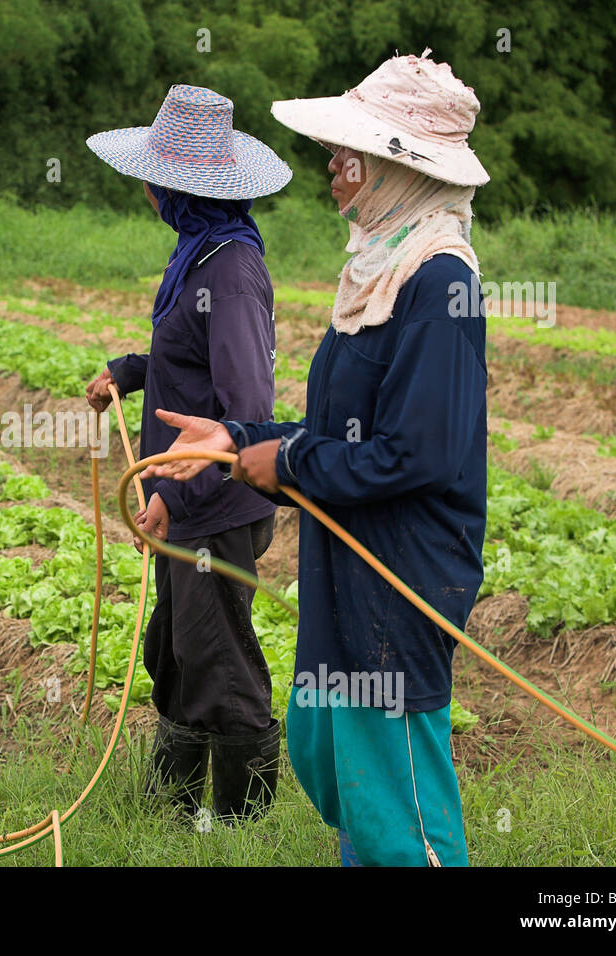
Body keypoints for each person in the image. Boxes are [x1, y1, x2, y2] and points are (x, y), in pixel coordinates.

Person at [144, 51, 491, 865]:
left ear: (398, 171)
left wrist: (287, 466)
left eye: (351, 158)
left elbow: (419, 455)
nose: (334, 172)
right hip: (348, 553)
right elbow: (349, 428)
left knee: (392, 788)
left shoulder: (441, 284)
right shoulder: (381, 269)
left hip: (401, 565)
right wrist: (239, 443)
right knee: (323, 747)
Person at [83, 84, 293, 820]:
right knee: (174, 651)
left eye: (151, 175)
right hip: (181, 497)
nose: (143, 187)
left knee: (218, 662)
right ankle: (173, 812)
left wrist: (174, 497)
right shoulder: (197, 252)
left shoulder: (231, 272)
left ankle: (243, 826)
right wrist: (131, 373)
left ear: (173, 185)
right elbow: (189, 363)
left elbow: (246, 416)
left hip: (213, 506)